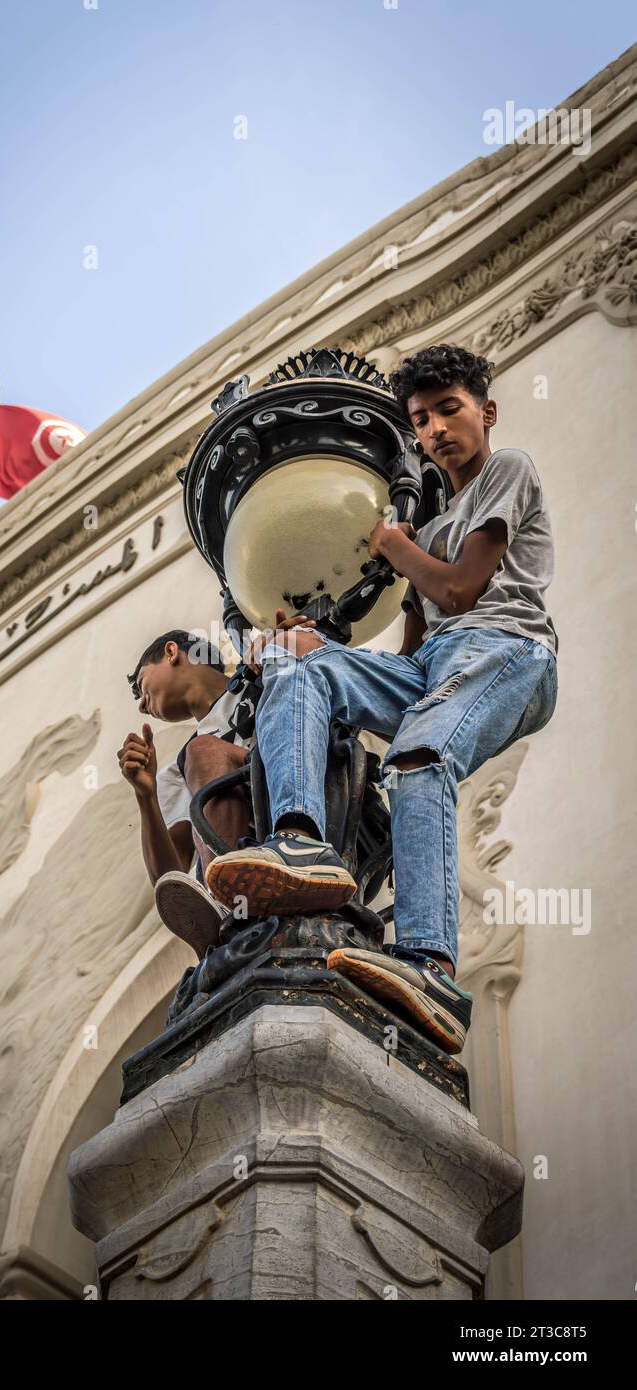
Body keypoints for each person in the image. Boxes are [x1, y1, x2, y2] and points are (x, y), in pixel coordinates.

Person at [205, 343, 559, 1055]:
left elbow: (461, 590)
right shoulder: (425, 529)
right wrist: (314, 645)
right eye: (421, 421)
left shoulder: (507, 470)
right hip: (436, 667)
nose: (434, 431)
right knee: (299, 669)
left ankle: (429, 964)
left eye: (449, 412)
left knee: (421, 755)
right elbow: (409, 654)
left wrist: (390, 546)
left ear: (485, 412)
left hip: (508, 650)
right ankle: (302, 844)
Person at [118, 630, 256, 959]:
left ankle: (227, 900)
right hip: (239, 867)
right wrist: (146, 796)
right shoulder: (179, 769)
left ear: (171, 652)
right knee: (200, 754)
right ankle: (225, 905)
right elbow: (172, 878)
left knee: (204, 751)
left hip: (284, 798)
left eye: (141, 684)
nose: (141, 705)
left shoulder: (258, 680)